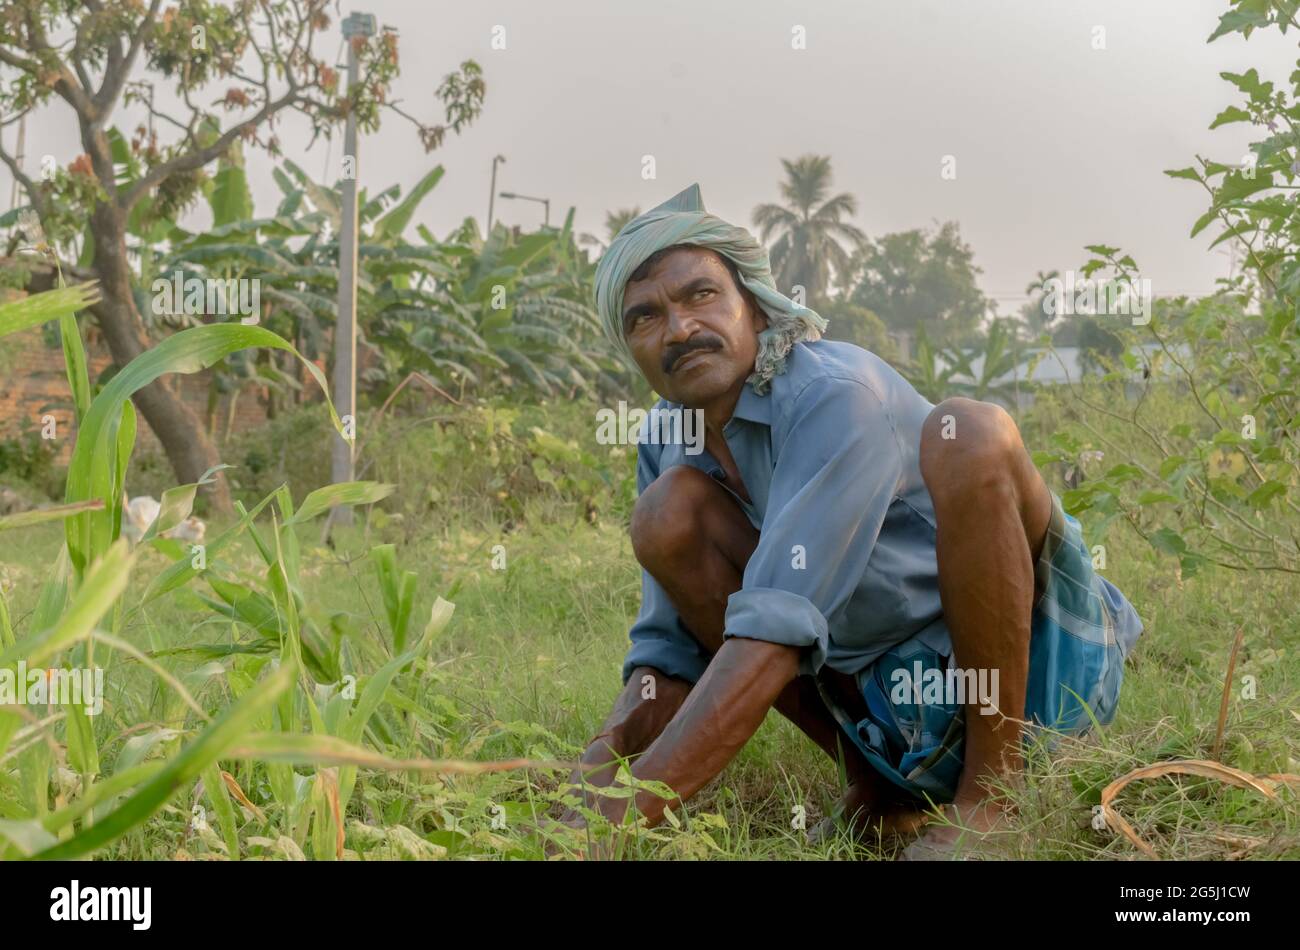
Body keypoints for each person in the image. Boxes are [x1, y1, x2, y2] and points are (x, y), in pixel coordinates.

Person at [558, 183, 1143, 859]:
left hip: (1034, 676)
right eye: (645, 316)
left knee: (971, 433)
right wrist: (597, 764)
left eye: (701, 296)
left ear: (753, 305)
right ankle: (877, 790)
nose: (680, 328)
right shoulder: (668, 438)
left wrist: (620, 820)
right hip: (886, 710)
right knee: (665, 515)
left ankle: (995, 794)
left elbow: (772, 632)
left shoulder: (833, 395)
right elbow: (670, 652)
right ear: (629, 346)